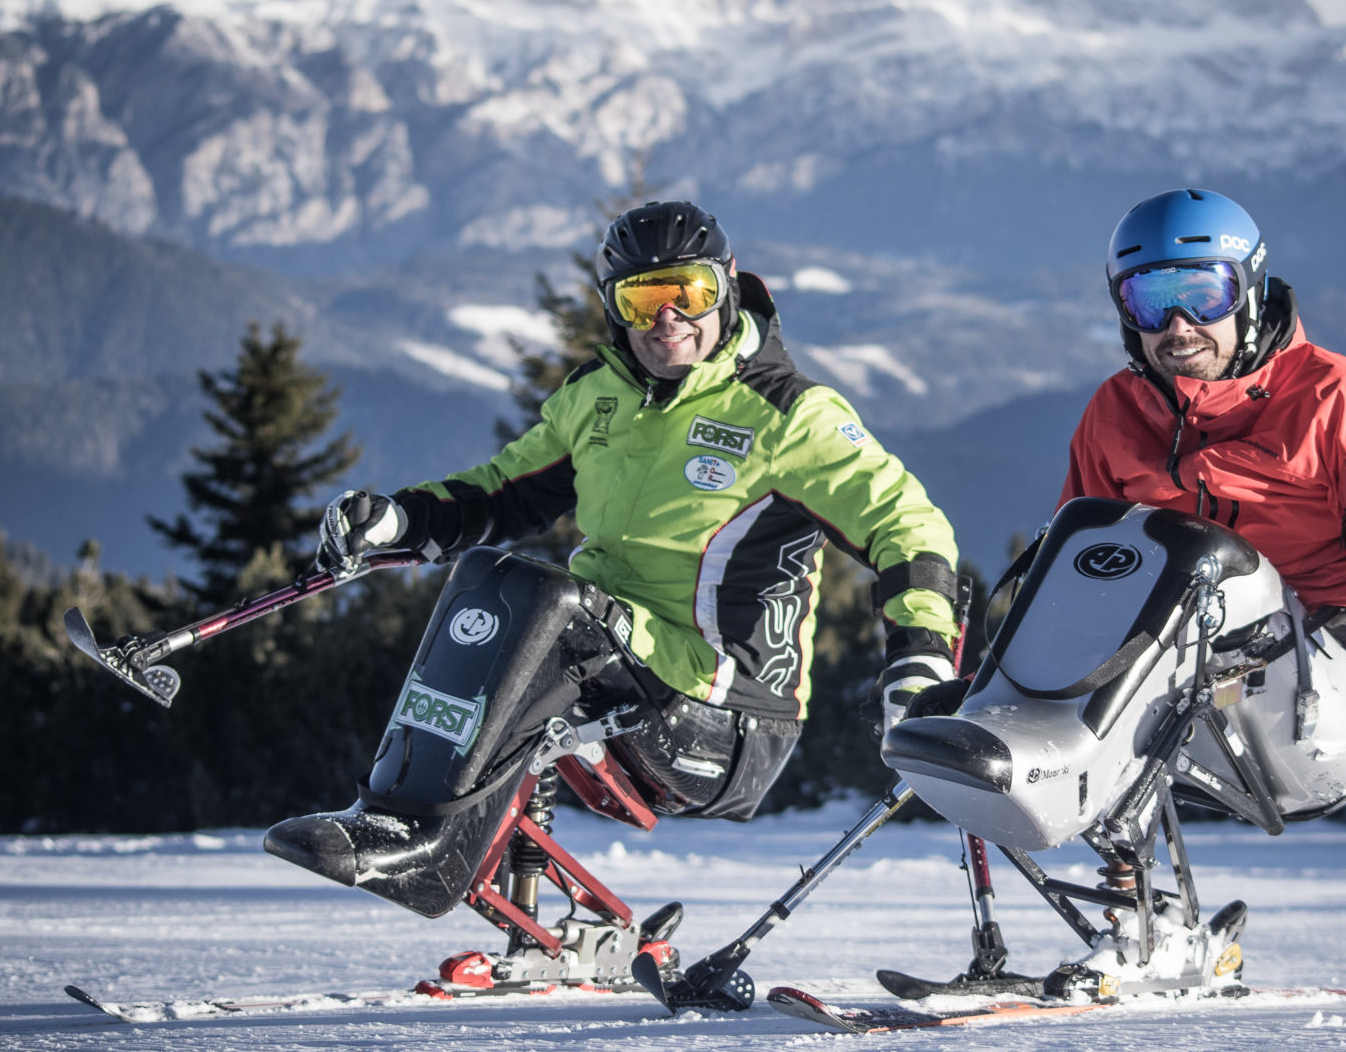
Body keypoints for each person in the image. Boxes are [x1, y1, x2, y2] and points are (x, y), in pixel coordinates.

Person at [272, 200, 959, 898]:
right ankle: (488, 884)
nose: (668, 318)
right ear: (614, 306)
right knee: (494, 580)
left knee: (554, 608)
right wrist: (400, 520)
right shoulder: (597, 397)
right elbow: (503, 494)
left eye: (687, 292)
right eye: (643, 298)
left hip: (724, 715)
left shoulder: (789, 416)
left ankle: (417, 833)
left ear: (725, 285)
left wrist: (921, 650)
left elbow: (909, 526)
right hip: (621, 667)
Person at [1060, 187, 1346, 769]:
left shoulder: (1343, 402)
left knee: (1225, 570)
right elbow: (1081, 565)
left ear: (1249, 291)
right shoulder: (1114, 413)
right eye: (1150, 301)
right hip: (1177, 668)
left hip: (1334, 677)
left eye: (1204, 295)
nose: (1178, 326)